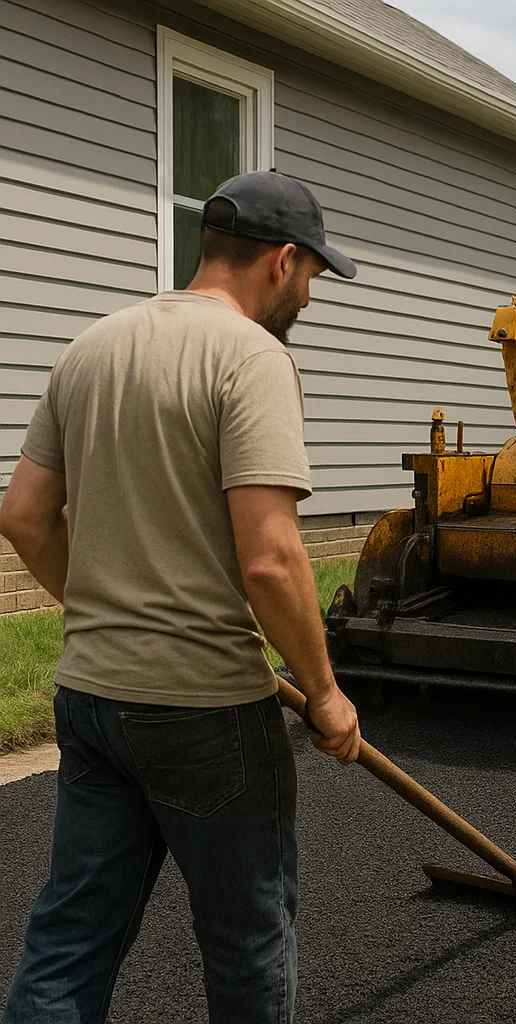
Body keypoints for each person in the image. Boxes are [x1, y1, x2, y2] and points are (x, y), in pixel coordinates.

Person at [0, 171, 364, 1024]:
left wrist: (98, 610)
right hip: (205, 712)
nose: (309, 297)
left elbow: (20, 515)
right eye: (311, 277)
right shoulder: (253, 358)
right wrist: (324, 693)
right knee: (247, 940)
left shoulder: (93, 345)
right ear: (281, 262)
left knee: (71, 936)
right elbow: (271, 561)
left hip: (90, 699)